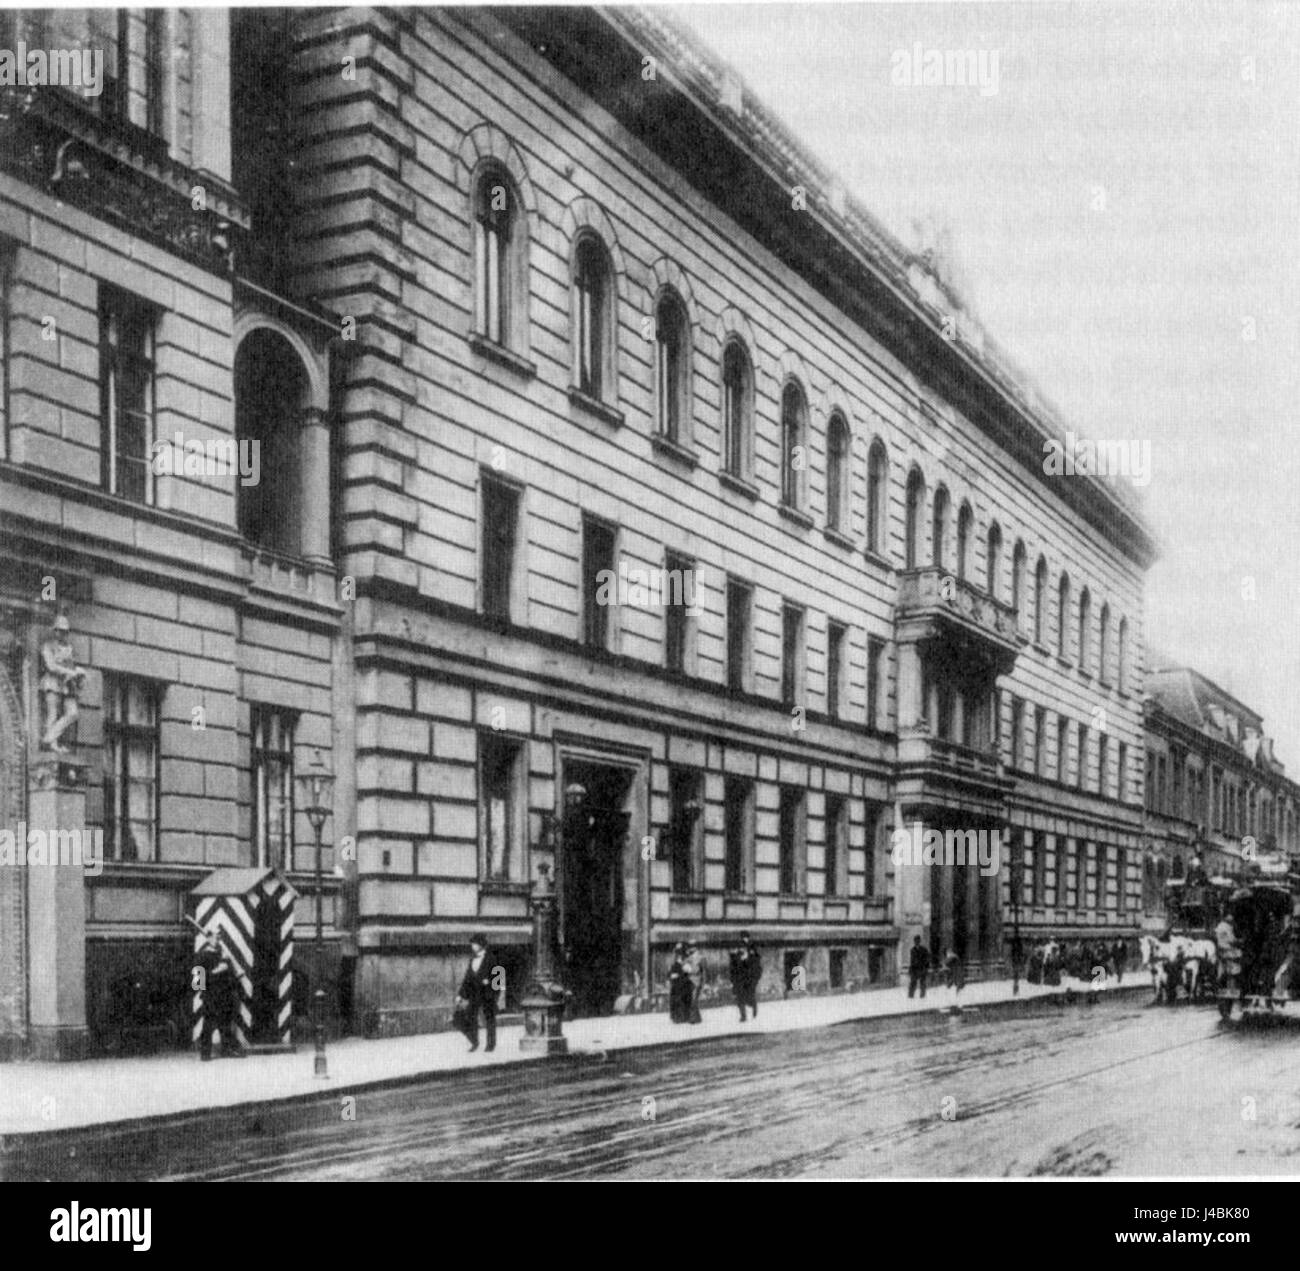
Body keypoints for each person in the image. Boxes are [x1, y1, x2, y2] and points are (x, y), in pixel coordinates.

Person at [39, 614, 86, 753]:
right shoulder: (47, 646)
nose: (63, 634)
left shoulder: (69, 648)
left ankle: (48, 737)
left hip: (67, 685)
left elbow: (71, 665)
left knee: (73, 713)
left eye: (65, 631)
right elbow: (51, 666)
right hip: (52, 682)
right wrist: (70, 672)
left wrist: (78, 673)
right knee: (52, 713)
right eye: (60, 630)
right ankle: (52, 744)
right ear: (55, 631)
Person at [196, 933, 243, 1061]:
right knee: (208, 1025)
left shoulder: (222, 955)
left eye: (219, 938)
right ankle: (205, 1053)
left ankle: (226, 1049)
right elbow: (197, 981)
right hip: (210, 996)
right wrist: (216, 971)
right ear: (208, 938)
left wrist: (230, 970)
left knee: (225, 1023)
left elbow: (231, 976)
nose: (218, 940)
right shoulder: (202, 956)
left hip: (225, 995)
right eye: (216, 937)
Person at [454, 933, 497, 1052]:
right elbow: (467, 979)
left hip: (487, 994)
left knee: (489, 1019)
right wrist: (460, 995)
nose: (473, 946)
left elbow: (499, 977)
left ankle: (490, 1045)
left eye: (475, 944)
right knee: (470, 1017)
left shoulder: (492, 958)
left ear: (481, 945)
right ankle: (474, 1042)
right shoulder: (473, 959)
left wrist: (490, 984)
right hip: (474, 994)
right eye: (472, 944)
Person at [729, 931, 763, 1021]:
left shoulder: (753, 948)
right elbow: (733, 963)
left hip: (749, 977)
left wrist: (747, 958)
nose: (744, 939)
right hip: (740, 978)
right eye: (743, 938)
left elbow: (757, 963)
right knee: (739, 997)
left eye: (746, 937)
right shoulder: (737, 949)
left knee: (749, 996)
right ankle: (743, 1016)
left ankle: (754, 1006)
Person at [667, 942, 691, 1023]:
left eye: (681, 952)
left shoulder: (686, 962)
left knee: (683, 1000)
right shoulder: (674, 962)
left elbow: (688, 971)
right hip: (676, 984)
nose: (679, 955)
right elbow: (670, 973)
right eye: (678, 953)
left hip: (683, 984)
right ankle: (676, 1017)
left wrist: (681, 973)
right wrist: (672, 976)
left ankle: (682, 1017)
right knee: (676, 1000)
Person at [684, 942, 704, 1024]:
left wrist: (704, 982)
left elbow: (703, 971)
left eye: (693, 947)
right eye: (690, 947)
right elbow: (684, 966)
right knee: (692, 999)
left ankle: (692, 1019)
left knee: (693, 1000)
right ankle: (698, 1018)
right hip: (690, 981)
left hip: (697, 981)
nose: (691, 949)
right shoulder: (688, 958)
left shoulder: (701, 958)